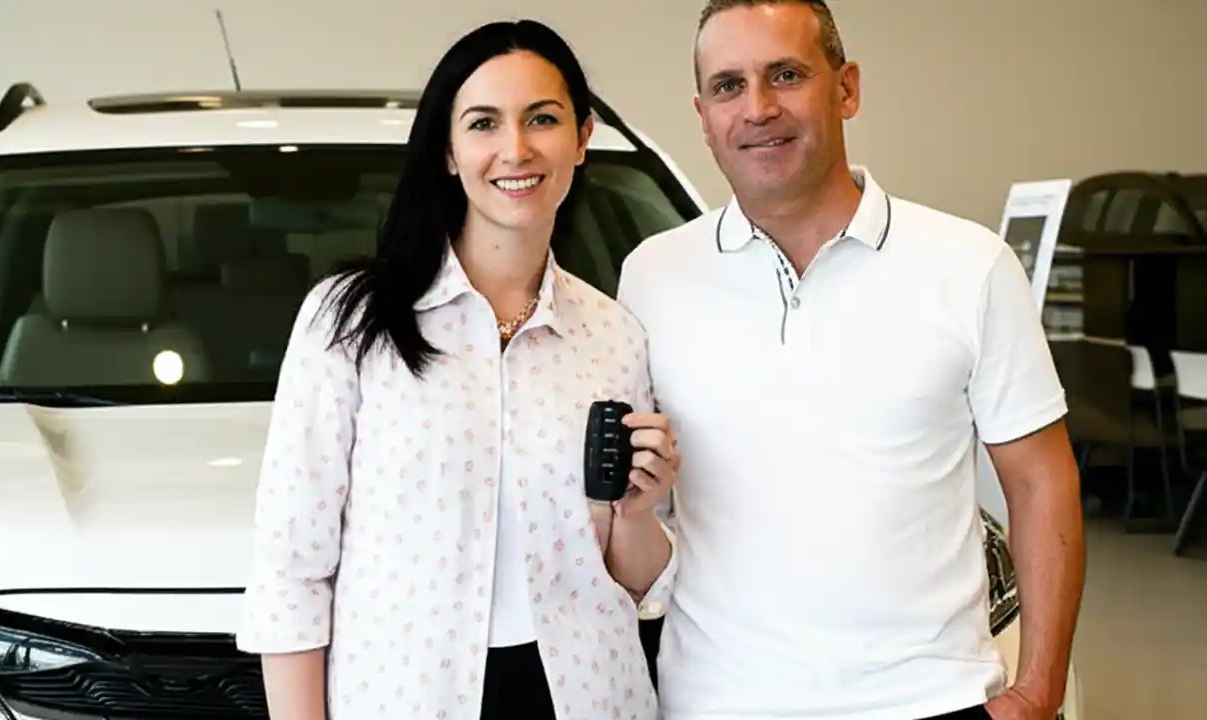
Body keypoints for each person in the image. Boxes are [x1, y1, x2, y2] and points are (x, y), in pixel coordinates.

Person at [616, 1, 1085, 719]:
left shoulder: (970, 266)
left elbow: (1040, 480)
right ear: (704, 115)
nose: (758, 107)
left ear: (847, 88)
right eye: (729, 86)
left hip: (930, 700)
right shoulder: (653, 276)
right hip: (716, 703)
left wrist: (1041, 690)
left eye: (786, 74)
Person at [235, 19, 680, 720]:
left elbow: (637, 580)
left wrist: (636, 510)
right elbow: (291, 570)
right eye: (483, 123)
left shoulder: (614, 335)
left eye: (543, 119)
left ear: (582, 138)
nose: (516, 149)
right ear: (447, 150)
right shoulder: (350, 323)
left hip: (589, 694)